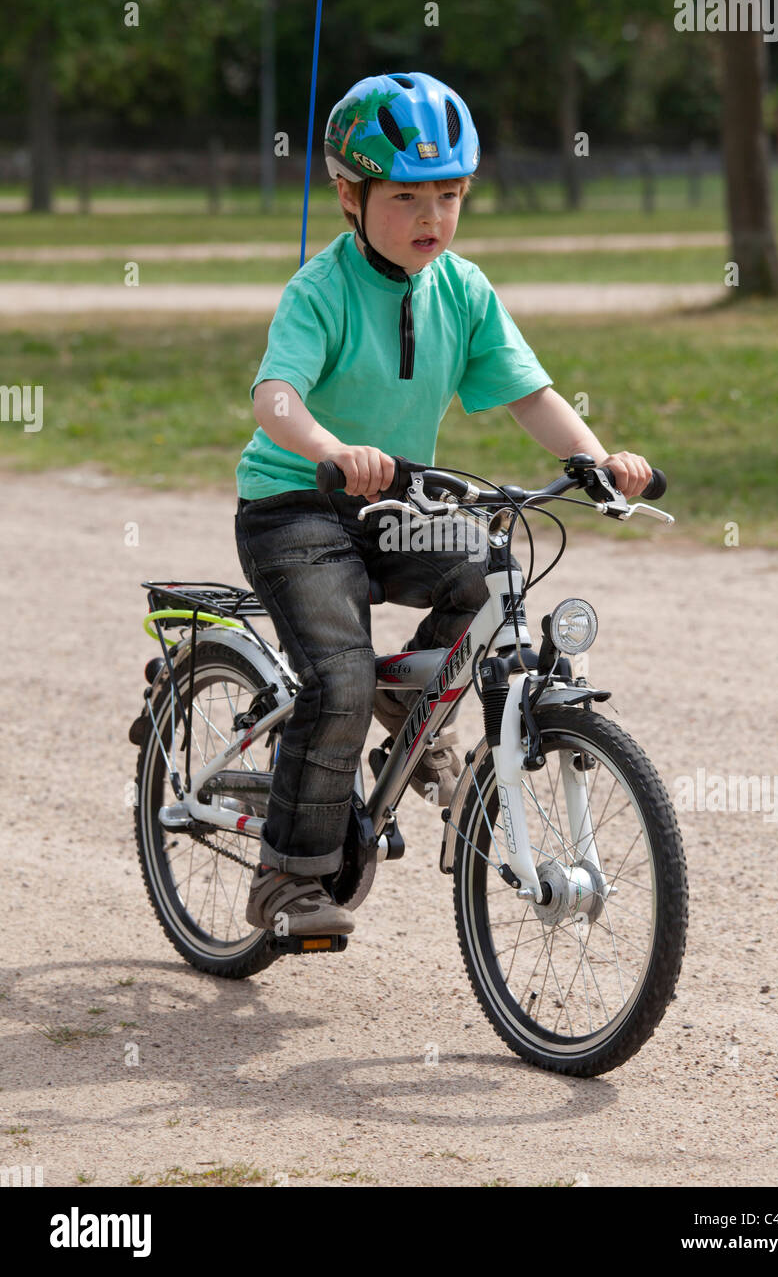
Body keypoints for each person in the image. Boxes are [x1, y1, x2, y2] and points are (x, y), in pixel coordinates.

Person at [234, 70, 651, 938]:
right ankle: (289, 877)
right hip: (297, 506)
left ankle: (407, 707)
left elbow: (529, 392)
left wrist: (594, 459)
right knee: (337, 677)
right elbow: (274, 394)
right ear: (349, 194)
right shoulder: (321, 289)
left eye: (451, 195)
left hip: (401, 504)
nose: (432, 217)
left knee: (488, 568)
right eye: (408, 197)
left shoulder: (462, 288)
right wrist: (328, 449)